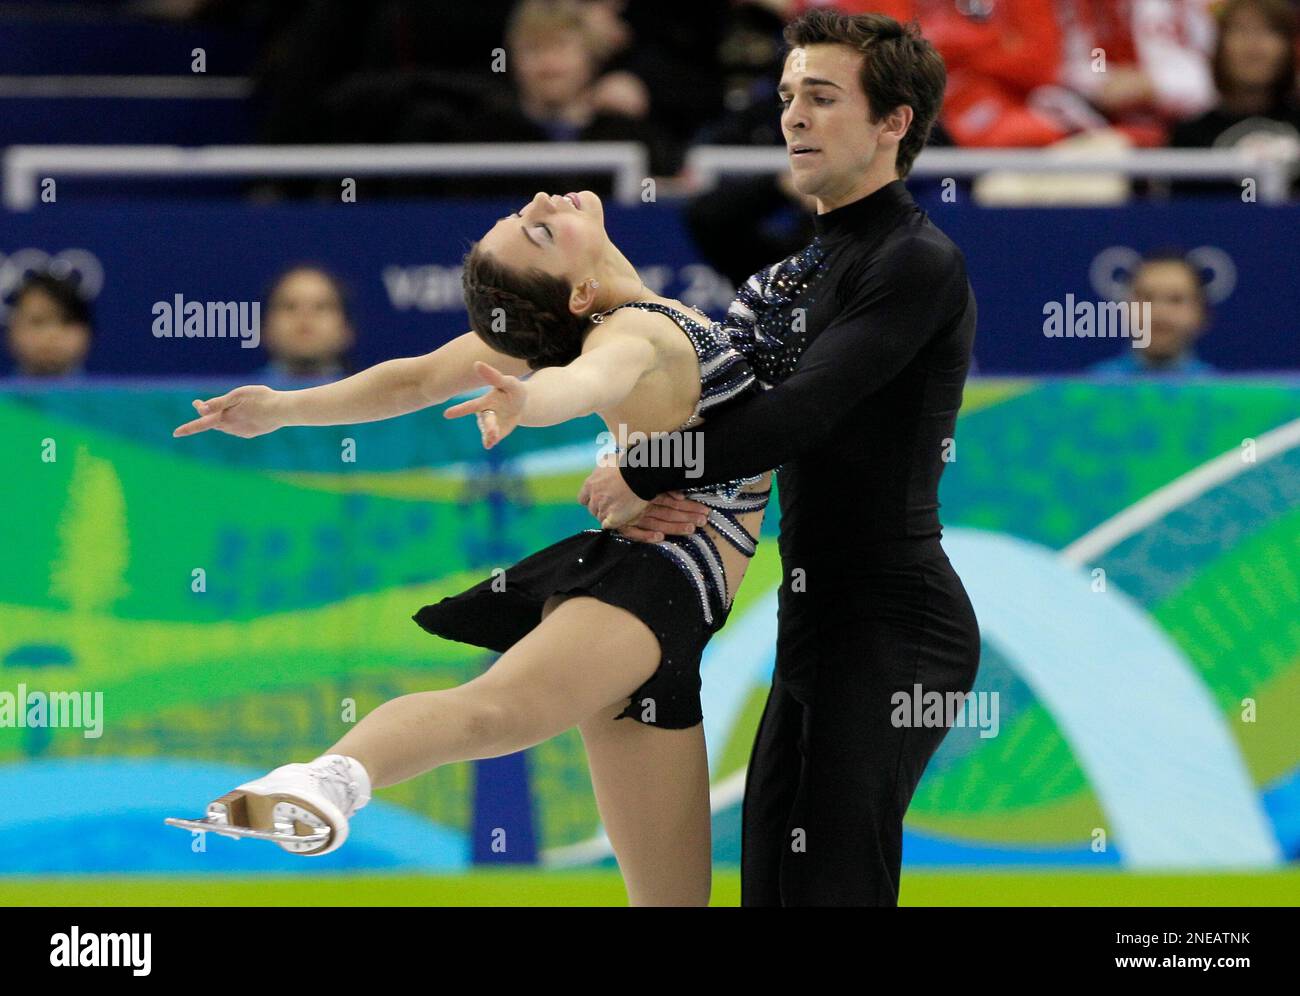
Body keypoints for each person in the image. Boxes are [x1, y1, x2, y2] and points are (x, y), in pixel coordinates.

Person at [169, 187, 776, 907]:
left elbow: (417, 380)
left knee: (673, 902)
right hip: (654, 583)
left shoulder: (581, 329)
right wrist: (534, 401)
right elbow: (586, 382)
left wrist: (283, 410)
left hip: (673, 626)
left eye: (528, 218)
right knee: (497, 709)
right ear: (580, 291)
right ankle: (329, 778)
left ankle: (328, 776)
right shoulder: (631, 332)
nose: (545, 201)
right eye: (539, 231)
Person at [578, 10, 981, 906]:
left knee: (834, 881)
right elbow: (713, 392)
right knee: (777, 884)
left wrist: (643, 473)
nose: (793, 116)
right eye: (790, 95)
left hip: (895, 620)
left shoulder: (917, 262)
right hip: (818, 620)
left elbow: (802, 415)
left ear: (894, 124)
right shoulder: (801, 267)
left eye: (824, 98)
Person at [1089, 251, 1215, 376]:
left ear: (1200, 313)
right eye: (1146, 297)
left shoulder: (1221, 392)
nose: (1160, 312)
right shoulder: (1087, 389)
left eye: (1176, 299)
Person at [252, 265, 355, 386]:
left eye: (321, 307)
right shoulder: (235, 399)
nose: (305, 316)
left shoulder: (370, 399)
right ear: (264, 328)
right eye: (290, 306)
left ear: (346, 329)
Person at [3, 272, 94, 379]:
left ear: (86, 332)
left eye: (66, 321)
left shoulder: (109, 395)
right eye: (37, 321)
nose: (51, 334)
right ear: (12, 330)